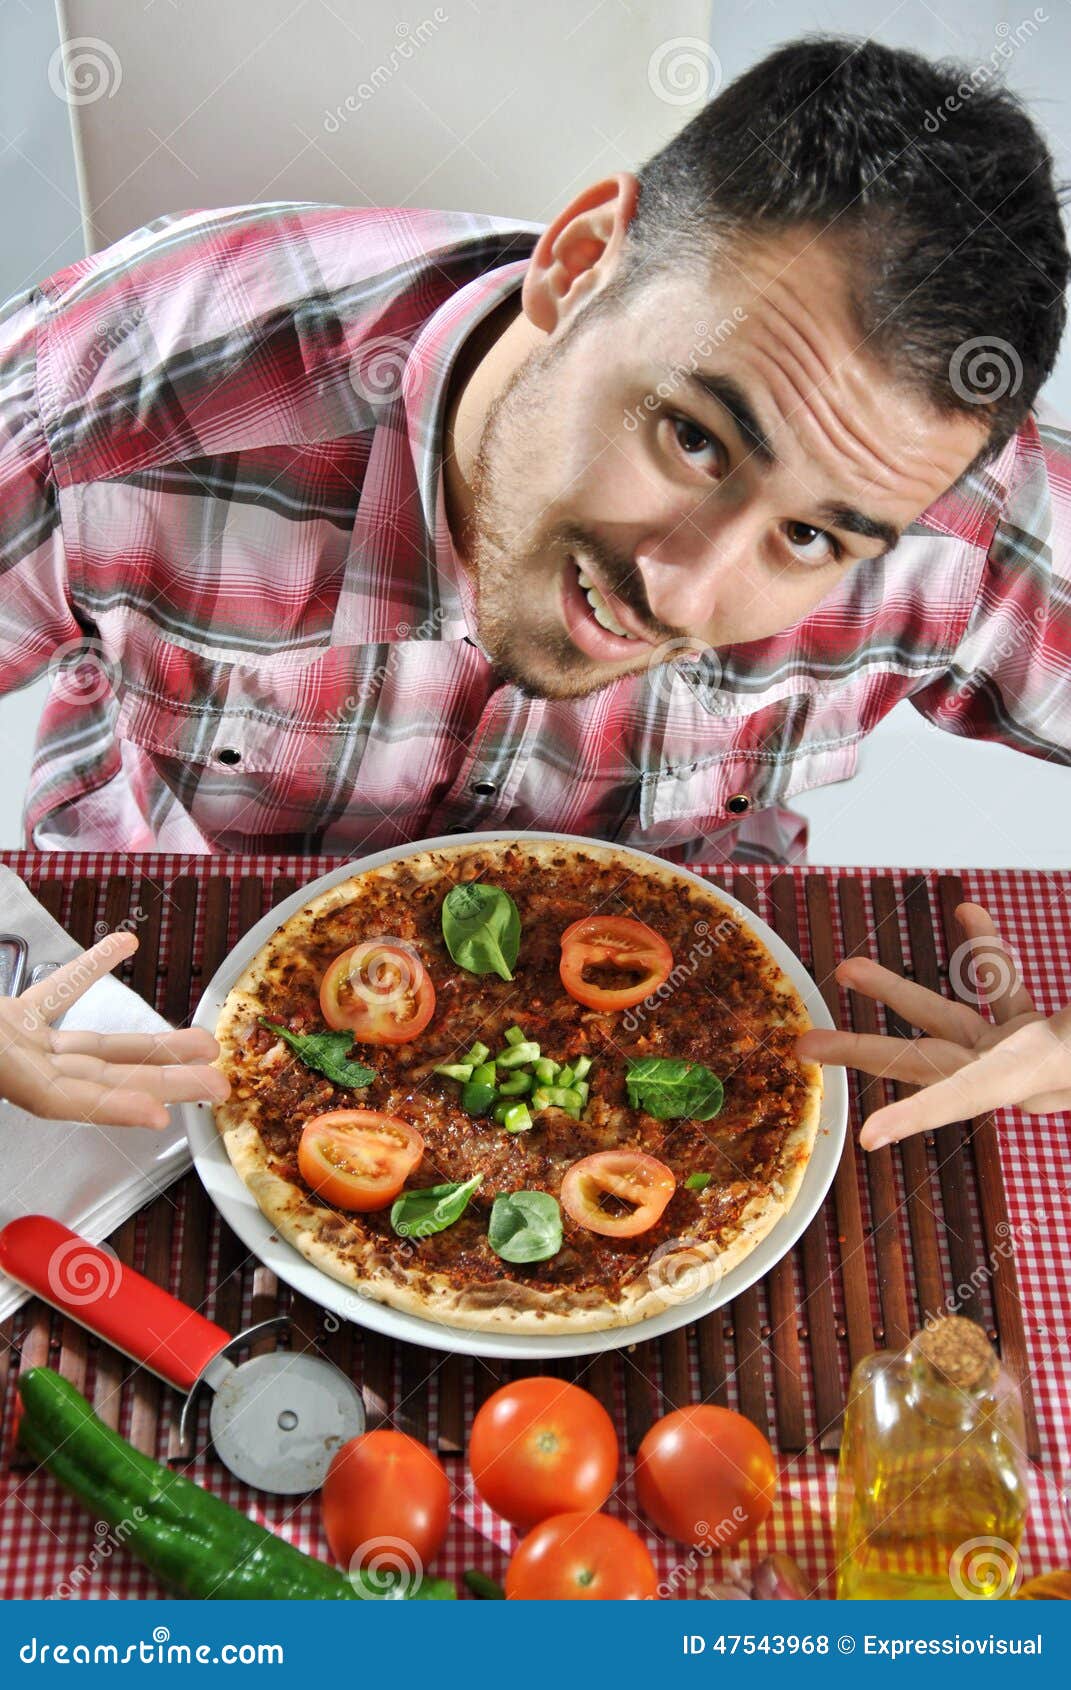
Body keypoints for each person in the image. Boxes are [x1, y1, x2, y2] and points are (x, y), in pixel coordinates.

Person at [0, 37, 1068, 1139]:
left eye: (806, 535)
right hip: (141, 995)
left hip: (668, 1051)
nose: (680, 591)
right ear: (579, 261)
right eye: (695, 439)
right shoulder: (128, 387)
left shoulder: (950, 514)